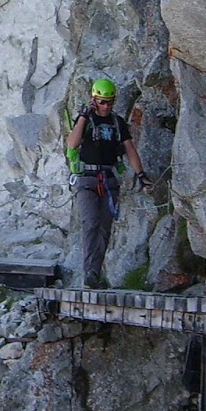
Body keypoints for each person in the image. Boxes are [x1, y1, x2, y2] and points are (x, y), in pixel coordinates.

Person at [66, 78, 151, 288]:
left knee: (105, 228)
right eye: (102, 102)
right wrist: (83, 117)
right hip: (87, 178)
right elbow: (72, 144)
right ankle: (89, 271)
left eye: (110, 102)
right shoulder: (86, 120)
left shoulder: (117, 122)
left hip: (109, 179)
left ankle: (94, 273)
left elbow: (130, 149)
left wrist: (141, 175)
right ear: (94, 100)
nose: (106, 107)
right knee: (90, 222)